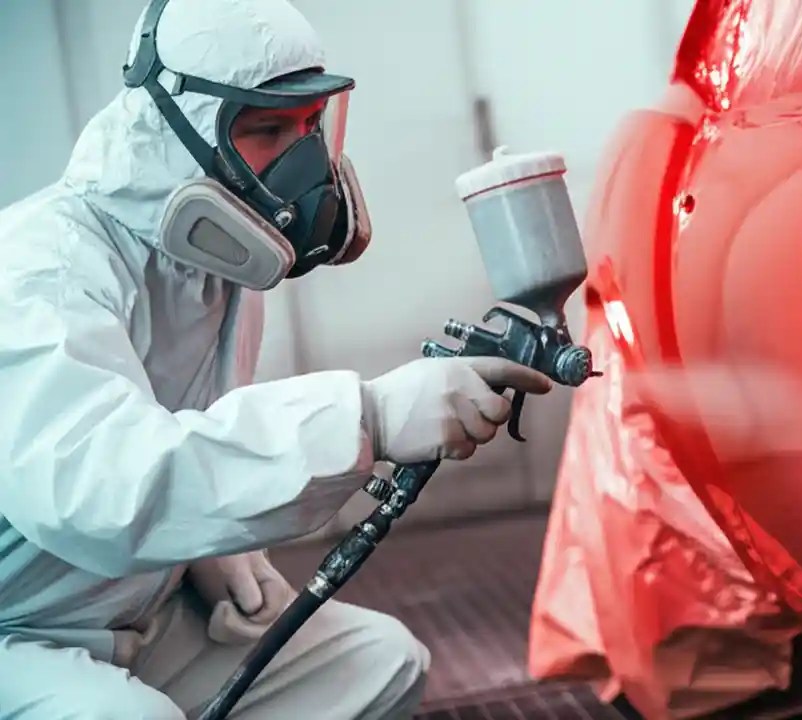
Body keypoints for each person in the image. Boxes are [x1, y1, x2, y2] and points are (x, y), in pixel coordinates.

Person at [0, 0, 551, 717]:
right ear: (180, 133)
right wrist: (371, 417)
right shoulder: (38, 268)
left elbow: (184, 426)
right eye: (267, 130)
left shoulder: (221, 268)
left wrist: (200, 551)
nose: (305, 165)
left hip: (136, 610)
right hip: (21, 632)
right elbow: (100, 488)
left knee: (379, 668)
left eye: (311, 127)